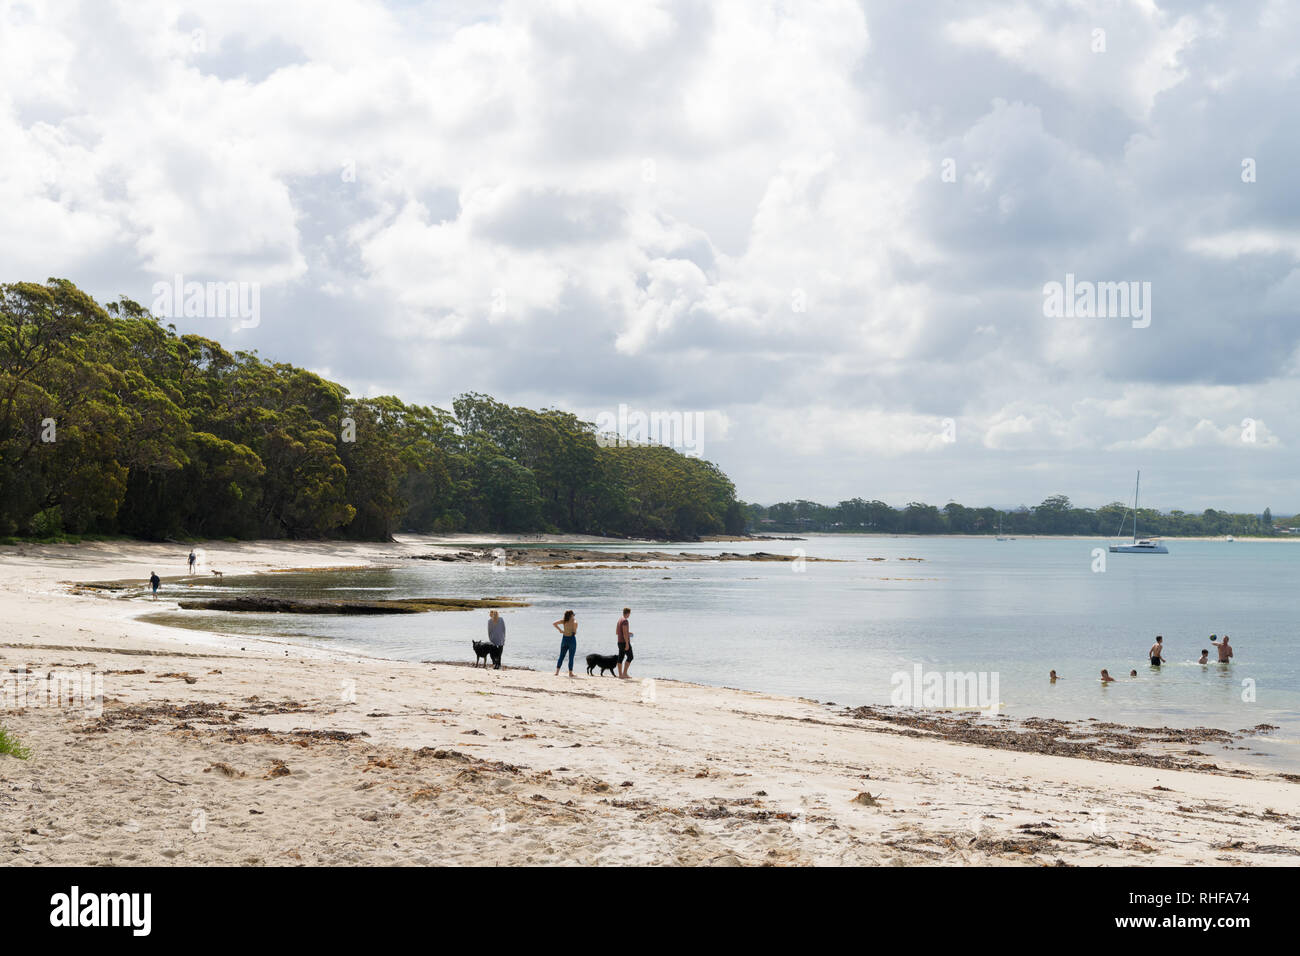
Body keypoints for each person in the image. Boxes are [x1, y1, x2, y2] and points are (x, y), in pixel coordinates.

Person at [553, 610, 578, 678]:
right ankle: (570, 673)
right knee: (571, 657)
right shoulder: (574, 622)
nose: (574, 616)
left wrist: (560, 630)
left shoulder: (564, 621)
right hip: (572, 640)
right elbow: (575, 632)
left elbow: (554, 623)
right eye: (573, 615)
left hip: (564, 639)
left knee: (561, 656)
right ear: (571, 615)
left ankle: (557, 672)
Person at [616, 607, 633, 679]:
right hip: (624, 642)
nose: (630, 615)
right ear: (628, 613)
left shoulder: (619, 620)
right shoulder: (625, 621)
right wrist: (627, 643)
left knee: (620, 657)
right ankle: (624, 673)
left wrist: (628, 633)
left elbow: (617, 632)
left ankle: (620, 675)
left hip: (619, 641)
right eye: (630, 613)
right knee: (630, 657)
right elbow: (625, 634)